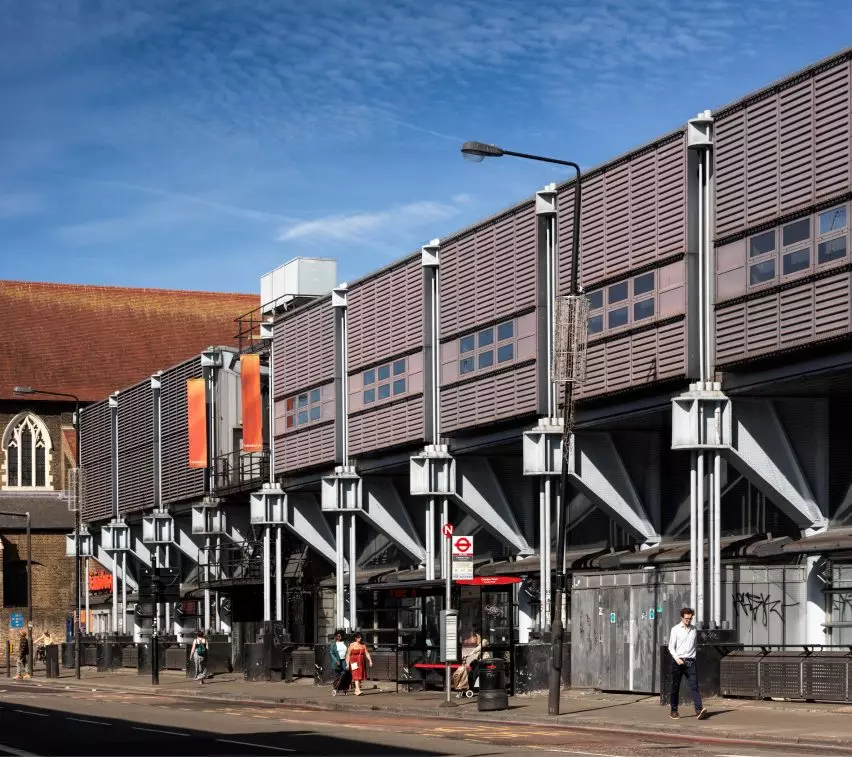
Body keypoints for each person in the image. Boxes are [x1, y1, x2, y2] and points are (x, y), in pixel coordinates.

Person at [669, 607, 707, 720]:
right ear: (682, 617)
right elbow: (671, 647)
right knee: (675, 687)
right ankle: (674, 711)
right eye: (686, 619)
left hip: (690, 662)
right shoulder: (675, 629)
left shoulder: (694, 630)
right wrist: (677, 659)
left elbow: (694, 645)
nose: (688, 621)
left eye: (690, 619)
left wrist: (693, 657)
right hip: (678, 661)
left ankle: (699, 710)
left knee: (694, 686)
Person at [345, 631, 372, 696]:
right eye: (358, 637)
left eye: (360, 637)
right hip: (354, 662)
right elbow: (348, 655)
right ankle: (358, 690)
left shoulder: (363, 645)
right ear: (355, 638)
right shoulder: (352, 645)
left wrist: (370, 660)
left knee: (360, 676)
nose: (359, 639)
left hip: (361, 662)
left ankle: (356, 690)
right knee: (356, 675)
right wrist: (347, 664)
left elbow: (367, 653)